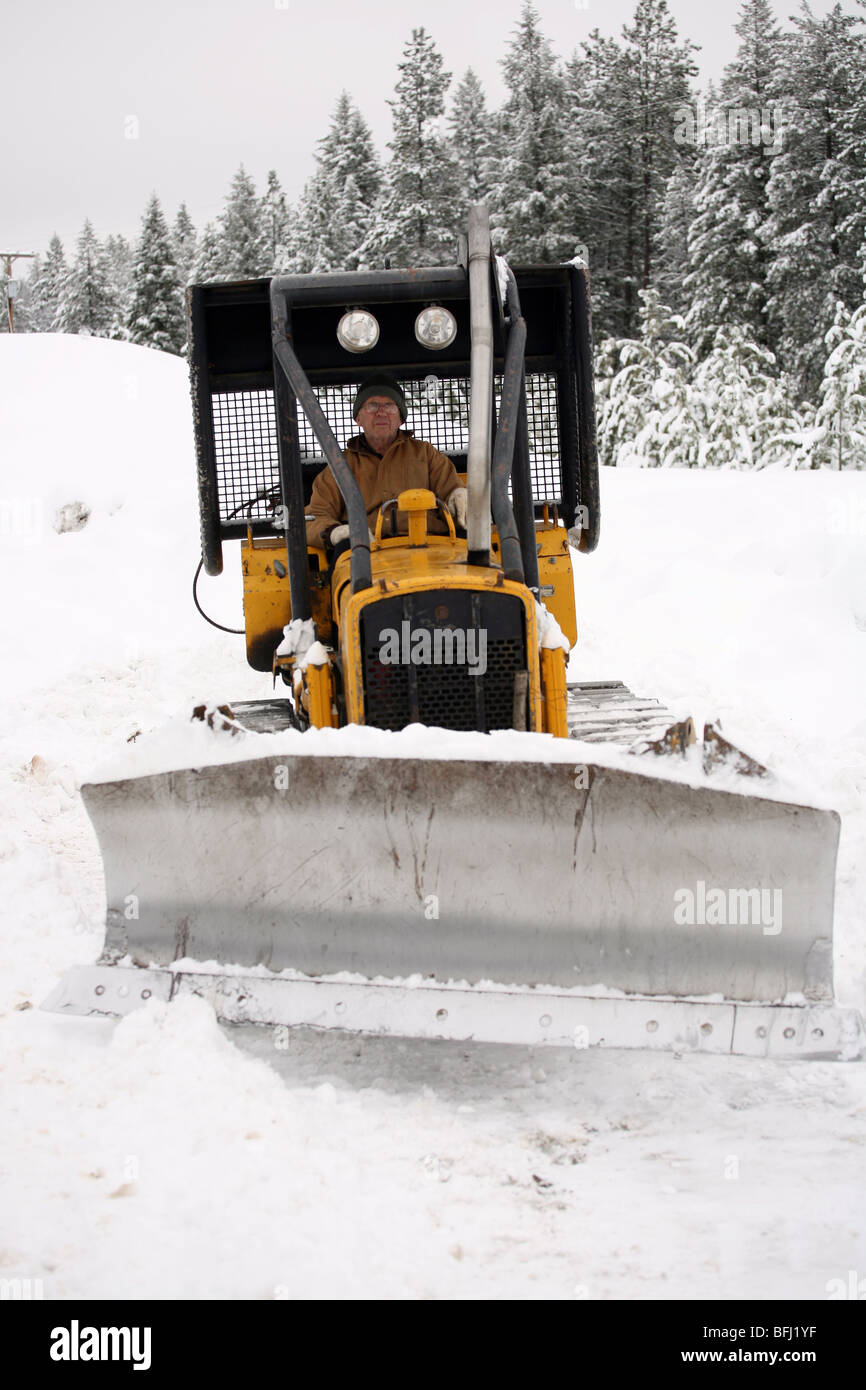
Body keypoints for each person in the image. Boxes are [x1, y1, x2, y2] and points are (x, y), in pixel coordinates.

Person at [304, 372, 468, 549]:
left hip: (429, 543)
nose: (381, 412)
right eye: (372, 406)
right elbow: (314, 517)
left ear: (400, 418)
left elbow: (451, 489)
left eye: (389, 405)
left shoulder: (425, 454)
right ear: (359, 418)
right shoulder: (341, 465)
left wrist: (458, 497)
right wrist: (335, 532)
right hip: (366, 549)